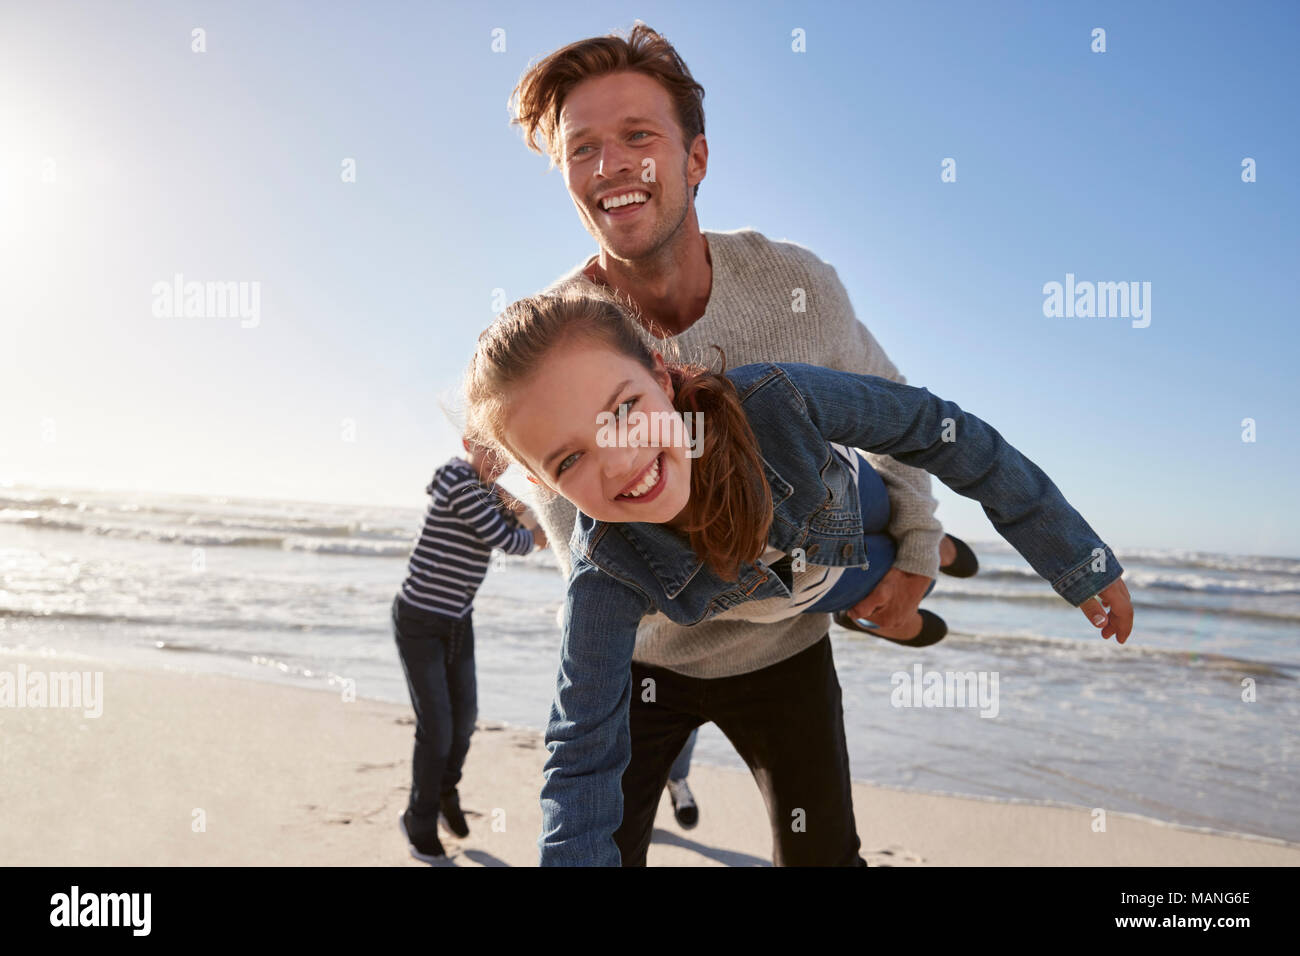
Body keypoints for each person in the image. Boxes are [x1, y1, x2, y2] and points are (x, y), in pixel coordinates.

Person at [503, 22, 978, 865]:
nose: (610, 164)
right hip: (648, 657)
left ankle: (923, 546)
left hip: (783, 650)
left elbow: (899, 414)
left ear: (697, 159)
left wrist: (909, 557)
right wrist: (825, 577)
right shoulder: (553, 353)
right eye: (582, 149)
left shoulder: (793, 286)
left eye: (638, 136)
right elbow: (601, 561)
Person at [462, 285, 1134, 866]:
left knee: (873, 532)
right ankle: (887, 600)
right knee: (853, 585)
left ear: (663, 377)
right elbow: (579, 751)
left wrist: (1075, 557)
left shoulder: (778, 405)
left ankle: (940, 551)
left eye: (623, 412)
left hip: (834, 505)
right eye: (569, 460)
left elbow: (937, 428)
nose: (616, 463)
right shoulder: (605, 573)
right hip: (804, 585)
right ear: (544, 483)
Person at [392, 438, 548, 862]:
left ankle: (444, 791)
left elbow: (526, 521)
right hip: (419, 620)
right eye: (492, 452)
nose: (500, 463)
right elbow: (510, 539)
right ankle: (418, 819)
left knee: (465, 721)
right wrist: (535, 526)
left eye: (507, 456)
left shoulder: (485, 488)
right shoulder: (457, 478)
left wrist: (525, 514)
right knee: (437, 727)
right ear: (469, 443)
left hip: (458, 621)